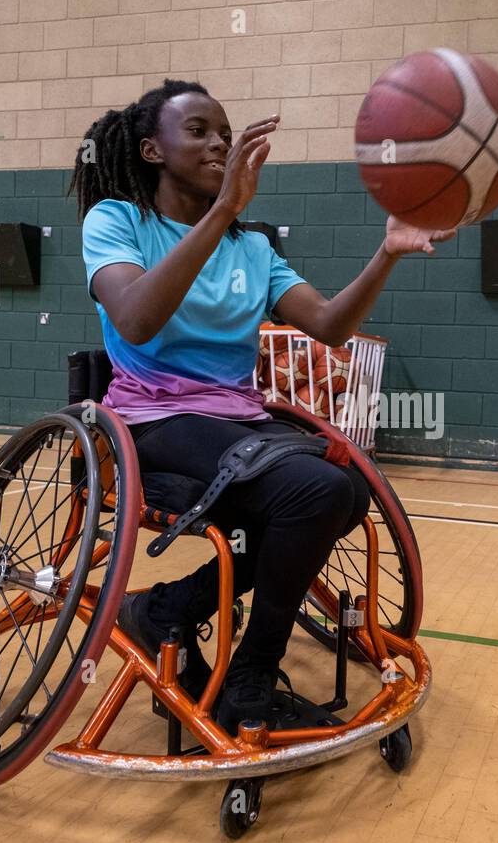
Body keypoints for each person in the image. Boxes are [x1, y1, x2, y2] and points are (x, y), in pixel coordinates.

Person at [70, 79, 454, 734]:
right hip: (151, 423)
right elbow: (134, 320)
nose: (219, 140)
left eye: (224, 129)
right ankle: (250, 670)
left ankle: (168, 607)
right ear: (152, 150)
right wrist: (222, 211)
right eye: (198, 130)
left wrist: (386, 252)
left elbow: (330, 324)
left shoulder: (253, 249)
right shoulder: (117, 221)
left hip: (238, 420)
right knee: (310, 493)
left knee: (345, 492)